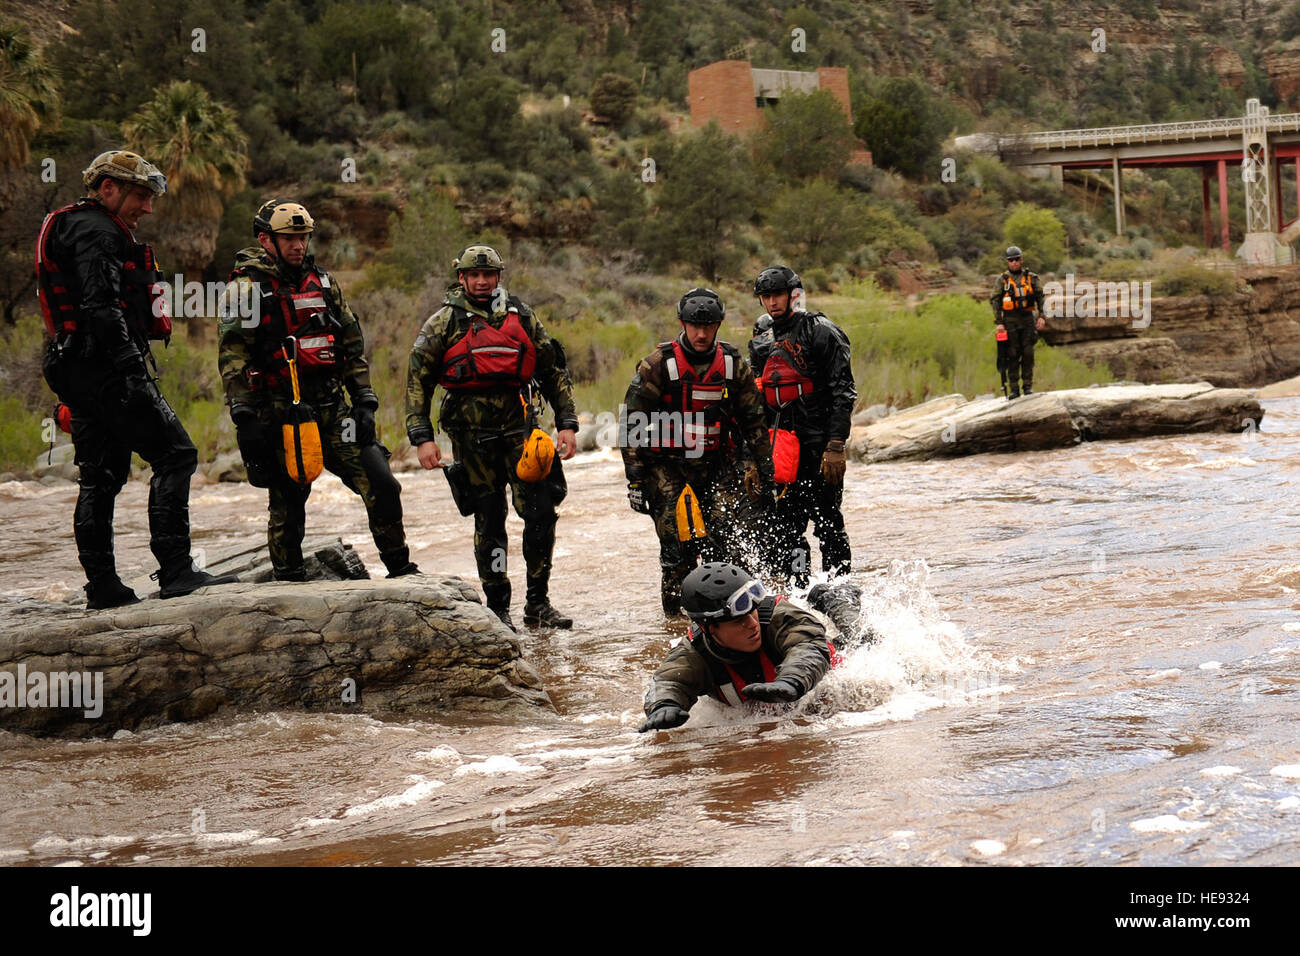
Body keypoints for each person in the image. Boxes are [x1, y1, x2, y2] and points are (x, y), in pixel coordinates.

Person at [37, 150, 238, 609]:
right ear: (108, 188)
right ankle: (176, 572)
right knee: (177, 454)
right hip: (105, 368)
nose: (147, 208)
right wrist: (130, 368)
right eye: (141, 197)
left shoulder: (74, 224)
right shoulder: (99, 231)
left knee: (100, 476)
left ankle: (104, 588)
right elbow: (101, 306)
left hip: (75, 367)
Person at [218, 199, 419, 580]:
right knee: (288, 502)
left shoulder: (324, 282)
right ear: (266, 240)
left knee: (381, 482)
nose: (298, 245)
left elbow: (350, 344)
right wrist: (245, 417)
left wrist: (364, 399)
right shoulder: (244, 289)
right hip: (280, 412)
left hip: (333, 408)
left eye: (303, 237)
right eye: (289, 238)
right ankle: (289, 579)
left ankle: (401, 569)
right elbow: (232, 356)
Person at [406, 244, 577, 630]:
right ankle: (498, 608)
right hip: (471, 439)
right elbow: (418, 381)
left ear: (498, 277)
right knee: (489, 521)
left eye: (489, 275)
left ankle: (538, 603)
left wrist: (567, 422)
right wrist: (421, 436)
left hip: (521, 432)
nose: (482, 281)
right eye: (474, 275)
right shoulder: (442, 324)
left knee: (540, 515)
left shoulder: (523, 317)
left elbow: (552, 368)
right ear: (461, 279)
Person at [621, 288, 774, 616]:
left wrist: (765, 471)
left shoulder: (734, 366)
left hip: (716, 463)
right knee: (678, 553)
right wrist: (634, 481)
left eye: (708, 326)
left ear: (719, 325)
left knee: (728, 547)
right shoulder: (657, 365)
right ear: (682, 323)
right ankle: (675, 628)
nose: (701, 333)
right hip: (666, 466)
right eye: (694, 326)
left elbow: (755, 423)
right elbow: (631, 422)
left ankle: (730, 620)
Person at [748, 265, 856, 586]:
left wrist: (836, 446)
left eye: (777, 294)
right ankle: (801, 592)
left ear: (793, 294)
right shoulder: (762, 340)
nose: (771, 302)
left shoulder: (822, 331)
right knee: (785, 527)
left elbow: (843, 391)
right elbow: (758, 403)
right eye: (765, 297)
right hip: (784, 450)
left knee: (828, 524)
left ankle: (839, 588)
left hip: (821, 447)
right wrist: (755, 459)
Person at [639, 562, 835, 731]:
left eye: (753, 612)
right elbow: (669, 681)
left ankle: (828, 598)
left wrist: (793, 680)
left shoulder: (779, 615)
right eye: (738, 620)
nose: (752, 623)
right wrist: (664, 706)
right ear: (708, 629)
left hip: (825, 681)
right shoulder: (694, 652)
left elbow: (809, 646)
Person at [989, 245, 1046, 399]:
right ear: (1007, 262)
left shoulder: (1031, 278)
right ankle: (1014, 388)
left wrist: (1042, 316)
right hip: (1009, 321)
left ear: (1021, 260)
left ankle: (1027, 386)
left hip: (1027, 319)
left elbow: (1041, 297)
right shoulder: (1002, 280)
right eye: (1011, 260)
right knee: (1012, 354)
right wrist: (999, 322)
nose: (1014, 262)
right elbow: (995, 300)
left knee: (1028, 353)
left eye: (1016, 259)